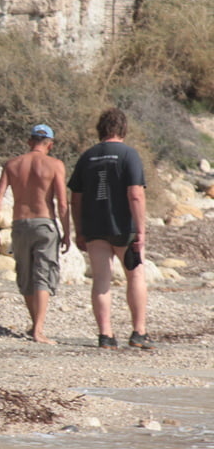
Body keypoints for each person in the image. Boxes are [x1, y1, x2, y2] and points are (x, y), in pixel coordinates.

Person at [68, 108, 152, 350]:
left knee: (101, 281)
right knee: (135, 276)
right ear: (123, 129)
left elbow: (76, 197)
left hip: (95, 227)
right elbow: (135, 194)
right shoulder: (129, 155)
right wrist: (140, 230)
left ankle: (106, 335)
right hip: (124, 228)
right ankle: (139, 332)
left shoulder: (87, 157)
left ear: (100, 129)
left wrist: (79, 230)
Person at [0, 124, 71, 344]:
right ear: (50, 145)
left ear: (29, 141)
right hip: (44, 223)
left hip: (20, 223)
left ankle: (35, 324)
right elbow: (62, 203)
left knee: (25, 274)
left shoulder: (12, 164)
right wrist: (68, 232)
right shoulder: (55, 165)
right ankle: (39, 330)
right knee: (42, 274)